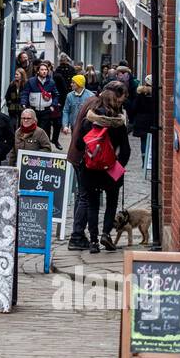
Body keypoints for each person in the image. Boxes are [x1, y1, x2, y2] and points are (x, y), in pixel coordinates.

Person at [65, 80, 128, 250]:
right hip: (110, 169)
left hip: (90, 169)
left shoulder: (89, 121)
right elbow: (126, 151)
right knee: (111, 202)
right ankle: (106, 235)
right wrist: (119, 167)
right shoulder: (118, 124)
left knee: (92, 204)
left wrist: (88, 158)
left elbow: (79, 144)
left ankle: (93, 242)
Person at [24, 60, 61, 147]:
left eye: (46, 70)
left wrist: (53, 105)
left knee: (44, 129)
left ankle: (45, 147)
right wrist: (24, 103)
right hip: (34, 110)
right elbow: (25, 93)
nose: (44, 71)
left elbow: (56, 95)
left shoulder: (51, 82)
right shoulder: (31, 81)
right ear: (38, 71)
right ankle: (33, 146)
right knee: (33, 128)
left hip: (46, 110)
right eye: (42, 70)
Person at [129, 75, 156, 167]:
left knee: (144, 141)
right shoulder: (156, 94)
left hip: (141, 121)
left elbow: (134, 107)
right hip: (152, 120)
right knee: (154, 140)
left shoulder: (140, 94)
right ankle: (153, 161)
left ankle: (145, 162)